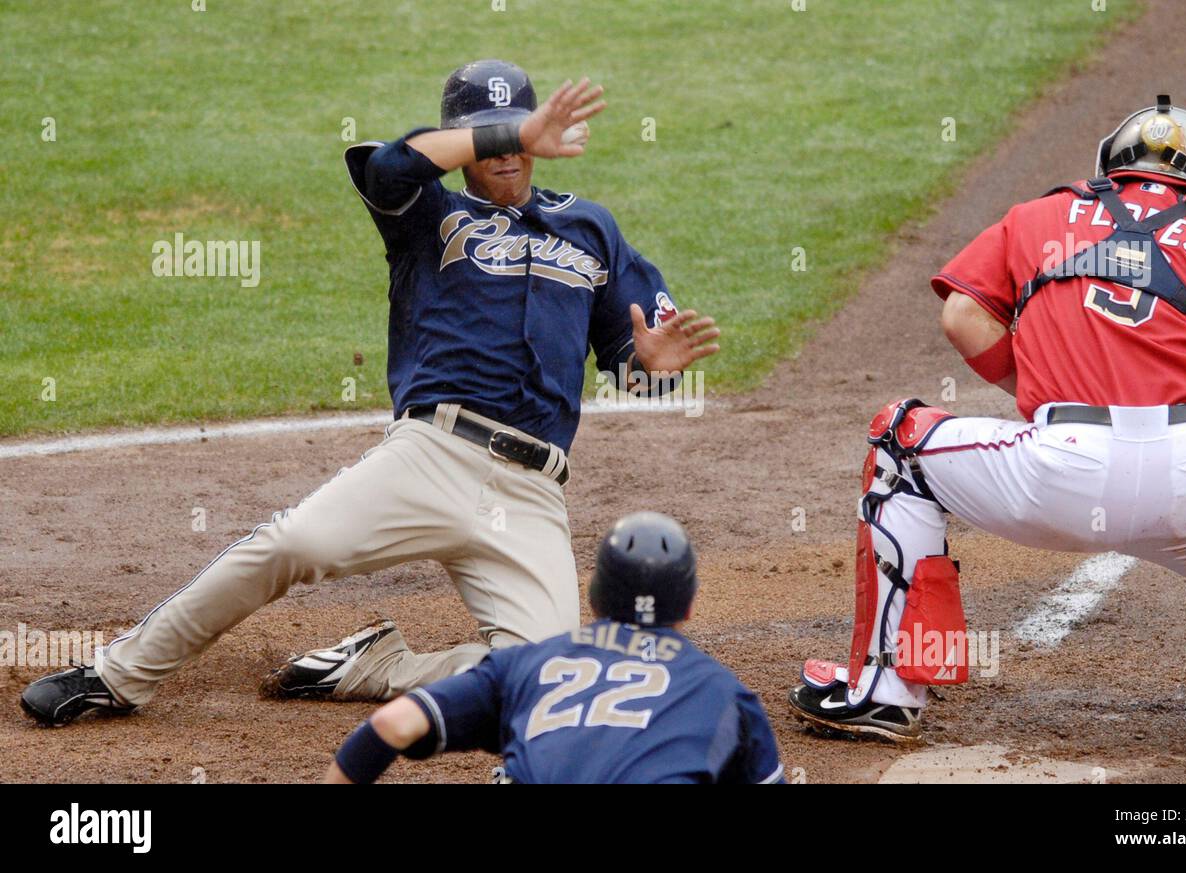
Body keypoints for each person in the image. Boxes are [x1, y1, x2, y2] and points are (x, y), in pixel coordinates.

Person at [21, 59, 720, 726]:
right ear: (466, 140)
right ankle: (116, 674)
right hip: (431, 455)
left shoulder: (592, 229)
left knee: (547, 682)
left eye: (520, 134)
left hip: (532, 495)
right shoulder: (426, 216)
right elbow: (392, 162)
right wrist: (509, 129)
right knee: (291, 542)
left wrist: (654, 368)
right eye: (492, 137)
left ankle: (378, 666)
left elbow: (636, 365)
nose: (508, 154)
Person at [788, 95, 1186, 742]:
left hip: (1061, 472)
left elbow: (961, 315)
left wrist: (1037, 389)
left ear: (1109, 165)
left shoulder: (1041, 215)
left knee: (898, 442)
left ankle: (887, 690)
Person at [325, 513, 784, 784]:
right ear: (688, 605)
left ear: (595, 596)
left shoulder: (527, 664)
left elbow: (392, 723)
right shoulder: (726, 696)